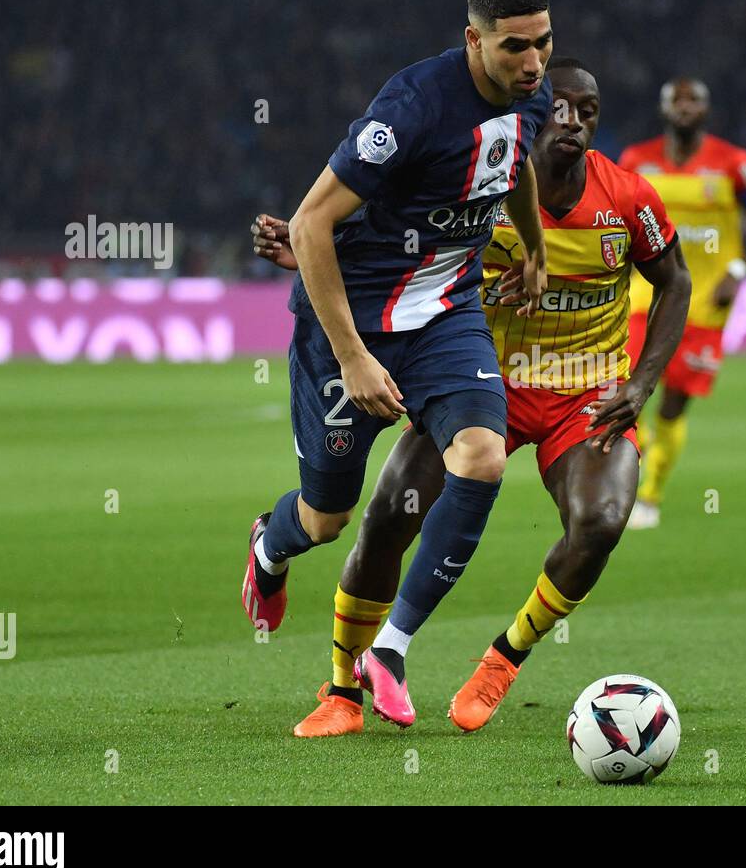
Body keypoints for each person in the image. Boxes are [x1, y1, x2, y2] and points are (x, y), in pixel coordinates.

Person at [251, 59, 691, 736]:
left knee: (601, 521)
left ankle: (503, 658)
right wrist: (321, 246)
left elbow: (676, 282)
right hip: (482, 374)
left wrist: (640, 383)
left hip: (586, 393)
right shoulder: (477, 192)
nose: (571, 120)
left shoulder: (628, 200)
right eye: (561, 106)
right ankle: (343, 687)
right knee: (381, 522)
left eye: (588, 110)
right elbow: (406, 242)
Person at [239, 0, 554, 729]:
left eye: (544, 43)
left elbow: (513, 162)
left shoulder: (530, 93)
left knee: (480, 455)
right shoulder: (411, 106)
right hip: (353, 325)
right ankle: (269, 548)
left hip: (447, 314)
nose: (535, 63)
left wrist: (535, 248)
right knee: (326, 519)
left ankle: (392, 648)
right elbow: (312, 223)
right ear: (474, 40)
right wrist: (351, 357)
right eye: (516, 47)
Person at [618, 78, 746, 529]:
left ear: (707, 111)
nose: (686, 107)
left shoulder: (733, 163)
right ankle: (632, 474)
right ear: (664, 108)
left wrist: (737, 270)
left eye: (694, 101)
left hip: (705, 302)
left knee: (673, 403)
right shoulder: (637, 160)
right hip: (642, 295)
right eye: (678, 100)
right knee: (622, 386)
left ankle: (651, 494)